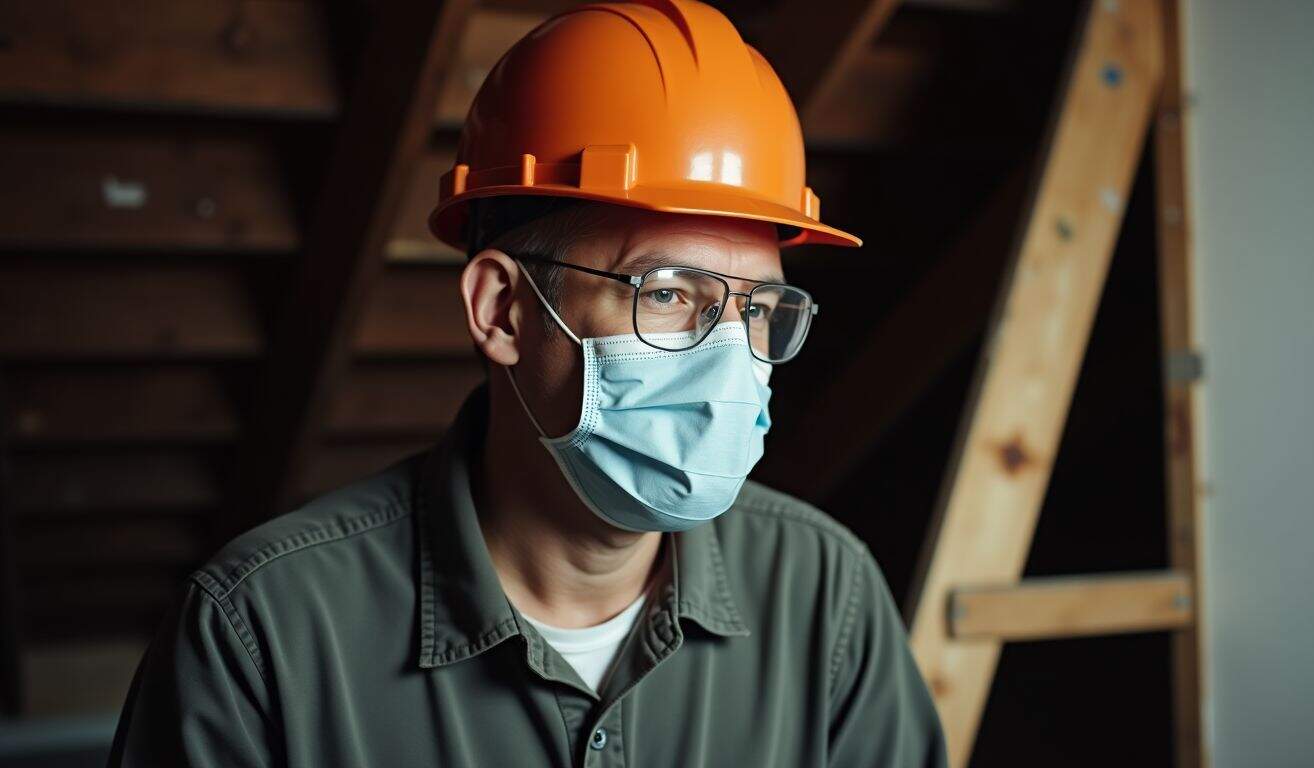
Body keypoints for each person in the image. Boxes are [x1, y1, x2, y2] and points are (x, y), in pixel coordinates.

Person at [109, 1, 946, 765]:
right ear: (502, 309)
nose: (730, 355)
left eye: (758, 307)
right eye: (666, 294)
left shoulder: (827, 596)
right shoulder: (264, 634)